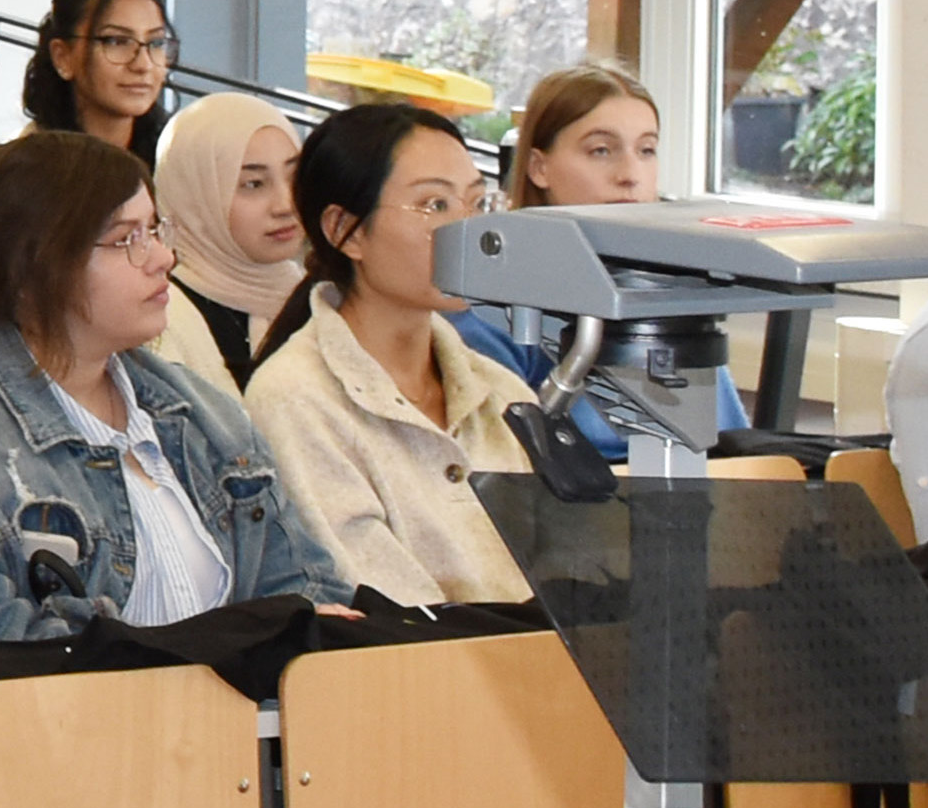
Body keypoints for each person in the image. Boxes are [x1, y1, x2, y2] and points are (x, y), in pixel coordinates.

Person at [0, 131, 349, 657]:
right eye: (126, 240)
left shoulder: (198, 411)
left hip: (220, 733)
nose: (162, 258)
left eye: (153, 230)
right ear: (31, 266)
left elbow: (309, 590)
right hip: (18, 734)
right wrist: (236, 648)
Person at [243, 104, 533, 605]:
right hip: (415, 676)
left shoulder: (502, 390)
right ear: (345, 230)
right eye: (436, 205)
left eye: (476, 202)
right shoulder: (295, 400)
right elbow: (384, 606)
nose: (469, 230)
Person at [445, 61, 758, 461]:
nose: (630, 174)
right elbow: (497, 469)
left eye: (646, 150)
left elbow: (738, 458)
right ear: (540, 168)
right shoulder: (490, 310)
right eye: (602, 150)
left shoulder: (673, 302)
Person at [147, 92, 313, 389]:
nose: (285, 204)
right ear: (195, 199)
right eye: (253, 184)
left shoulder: (313, 298)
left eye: (294, 176)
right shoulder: (162, 322)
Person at [21, 0, 173, 161]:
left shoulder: (176, 157)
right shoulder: (26, 169)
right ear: (63, 57)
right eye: (116, 41)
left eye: (156, 43)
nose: (143, 65)